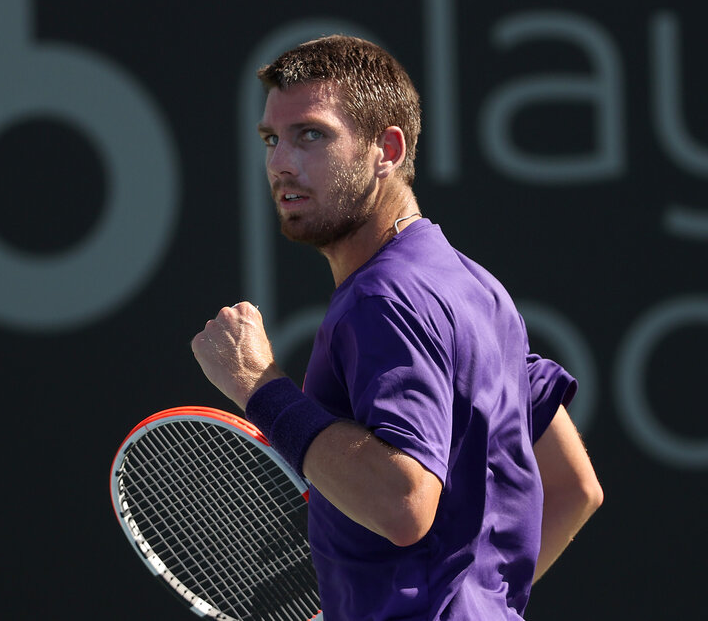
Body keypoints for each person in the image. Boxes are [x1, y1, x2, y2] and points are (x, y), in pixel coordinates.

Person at [191, 35, 602, 620]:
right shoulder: (476, 287)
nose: (281, 161)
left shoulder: (382, 297)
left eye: (312, 134)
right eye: (271, 138)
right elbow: (574, 487)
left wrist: (258, 385)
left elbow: (405, 502)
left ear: (386, 149)